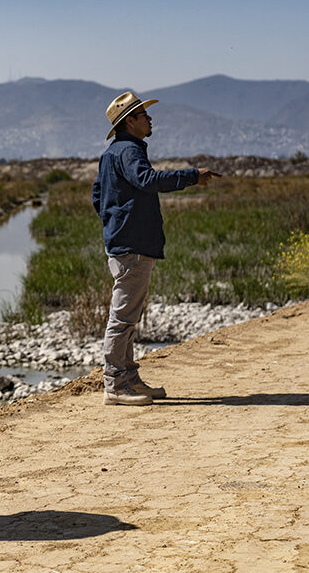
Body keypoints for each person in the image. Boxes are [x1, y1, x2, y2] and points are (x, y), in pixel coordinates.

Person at [92, 91, 221, 406]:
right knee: (123, 318)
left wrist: (115, 221)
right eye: (144, 114)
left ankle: (128, 378)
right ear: (130, 121)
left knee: (129, 316)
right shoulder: (129, 152)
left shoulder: (114, 153)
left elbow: (98, 195)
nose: (151, 119)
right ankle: (115, 384)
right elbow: (147, 180)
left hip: (126, 243)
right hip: (132, 246)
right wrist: (192, 176)